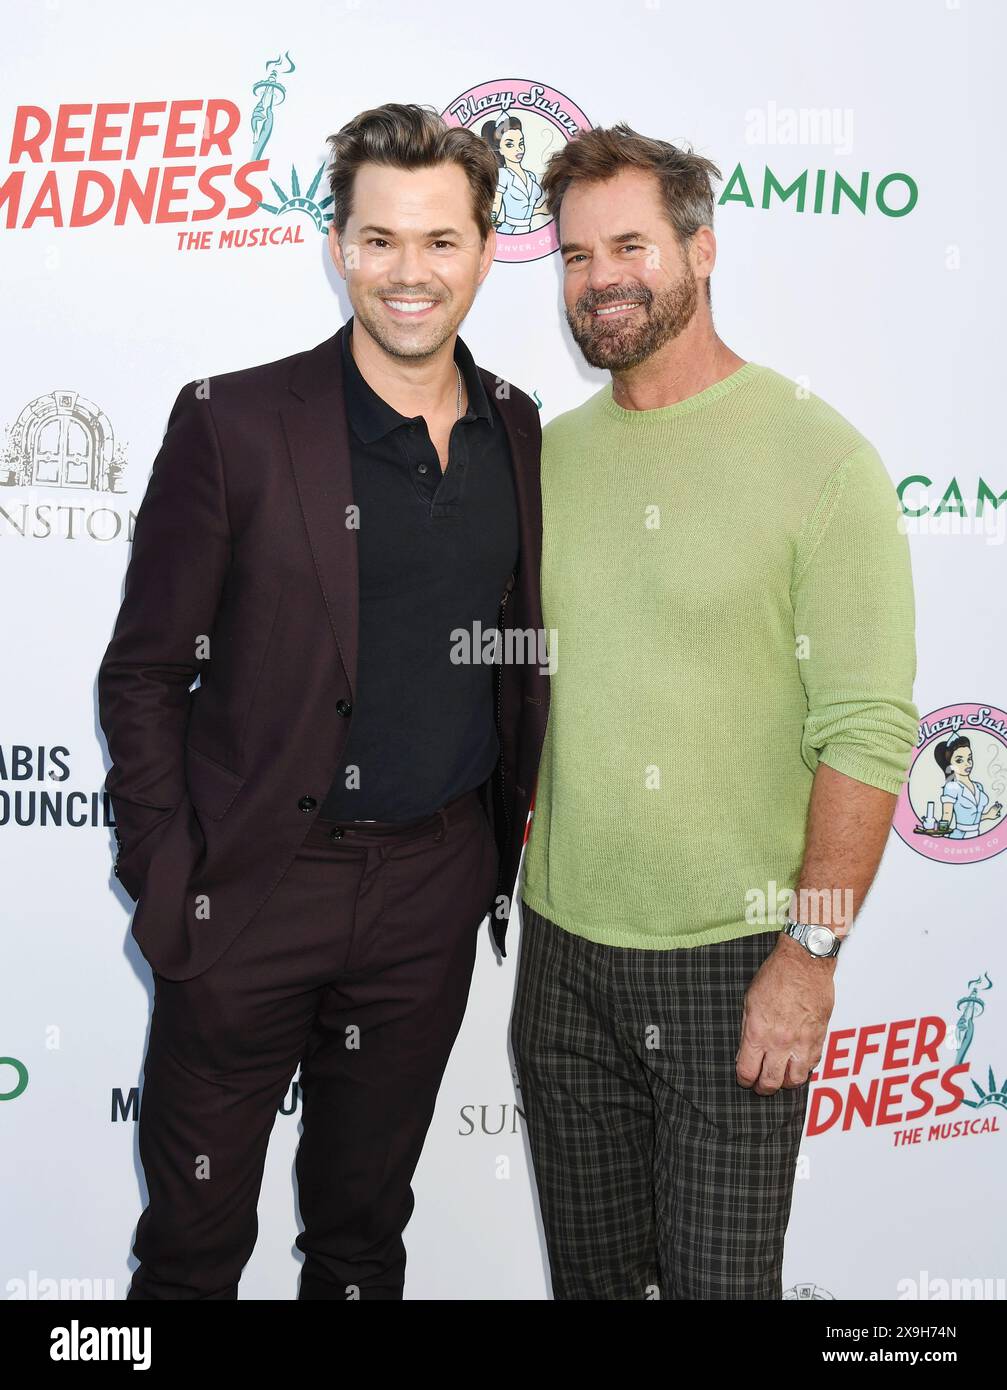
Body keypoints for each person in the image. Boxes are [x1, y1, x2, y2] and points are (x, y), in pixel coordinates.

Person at [98, 102, 549, 1300]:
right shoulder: (234, 422)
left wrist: (482, 864)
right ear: (336, 244)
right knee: (191, 1251)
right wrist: (167, 873)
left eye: (441, 241)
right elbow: (144, 672)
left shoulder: (518, 428)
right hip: (250, 893)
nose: (411, 273)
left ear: (484, 245)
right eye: (381, 239)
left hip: (427, 895)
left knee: (360, 1243)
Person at [512, 123, 919, 1299]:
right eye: (577, 258)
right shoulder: (545, 459)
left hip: (736, 966)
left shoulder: (819, 458)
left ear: (701, 249)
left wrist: (810, 952)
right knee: (595, 1287)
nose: (601, 281)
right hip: (563, 959)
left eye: (629, 244)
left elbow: (865, 730)